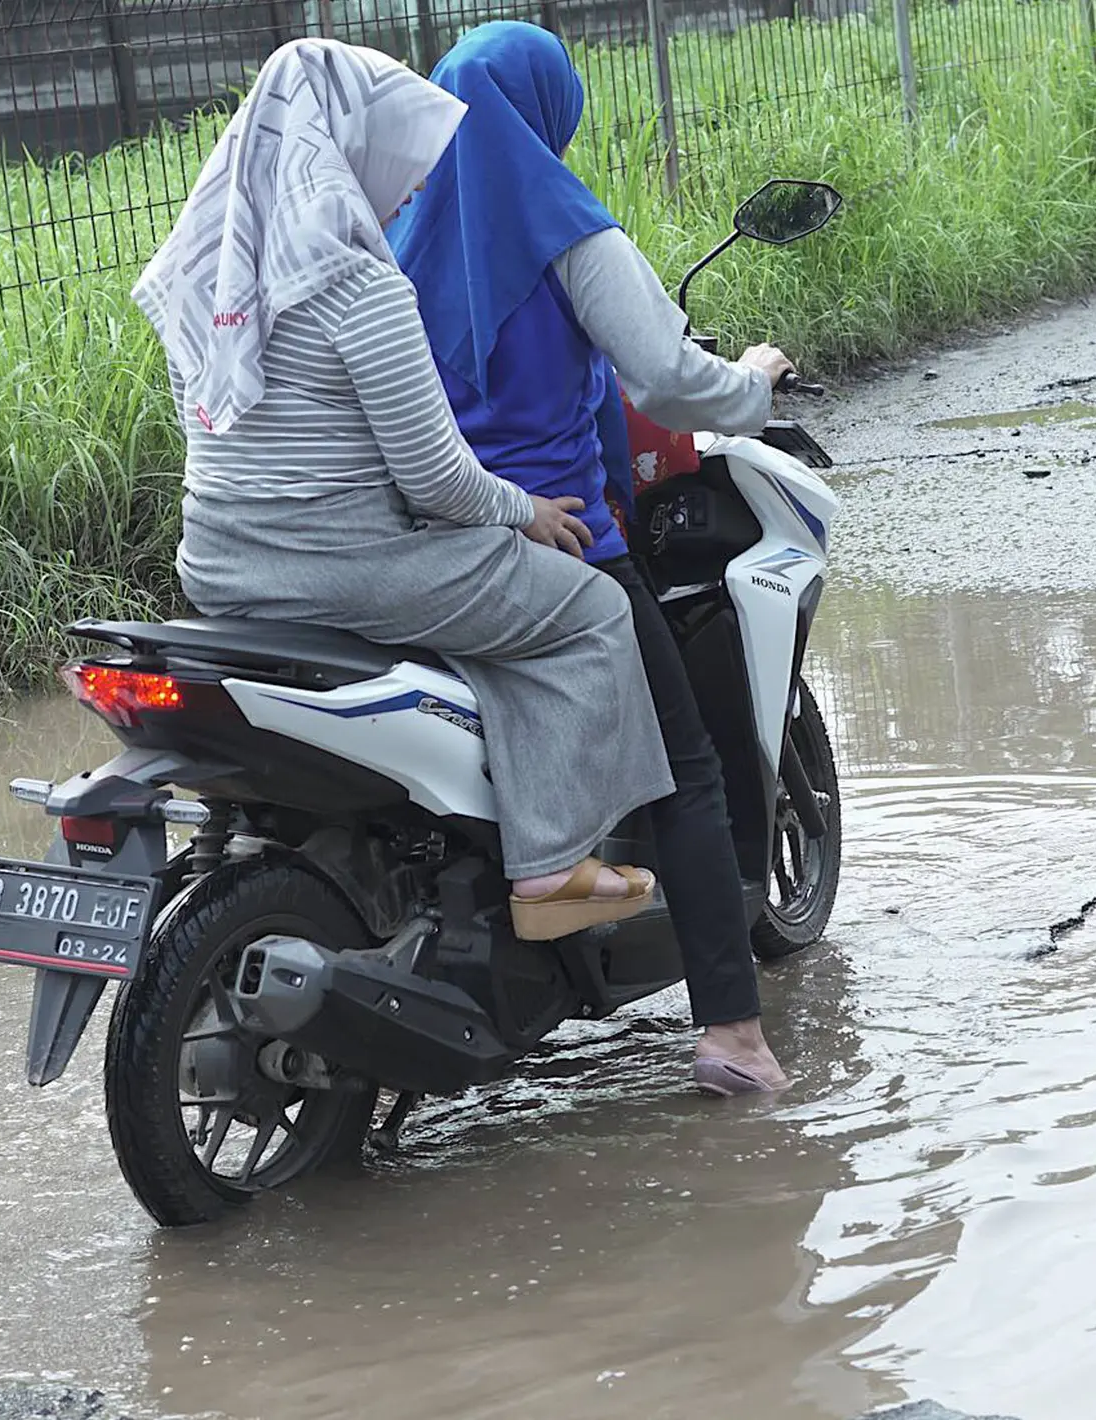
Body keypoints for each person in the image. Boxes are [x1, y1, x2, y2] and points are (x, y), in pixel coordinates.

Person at [130, 38, 672, 942]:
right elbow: (435, 477)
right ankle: (550, 873)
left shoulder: (216, 271)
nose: (417, 185)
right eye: (403, 159)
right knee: (588, 613)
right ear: (345, 146)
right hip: (342, 566)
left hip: (217, 569)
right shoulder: (356, 285)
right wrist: (524, 512)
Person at [389, 21, 795, 1096]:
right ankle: (733, 1038)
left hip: (416, 550)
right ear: (546, 110)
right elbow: (662, 376)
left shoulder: (391, 234)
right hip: (560, 536)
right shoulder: (569, 230)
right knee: (688, 771)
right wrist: (751, 381)